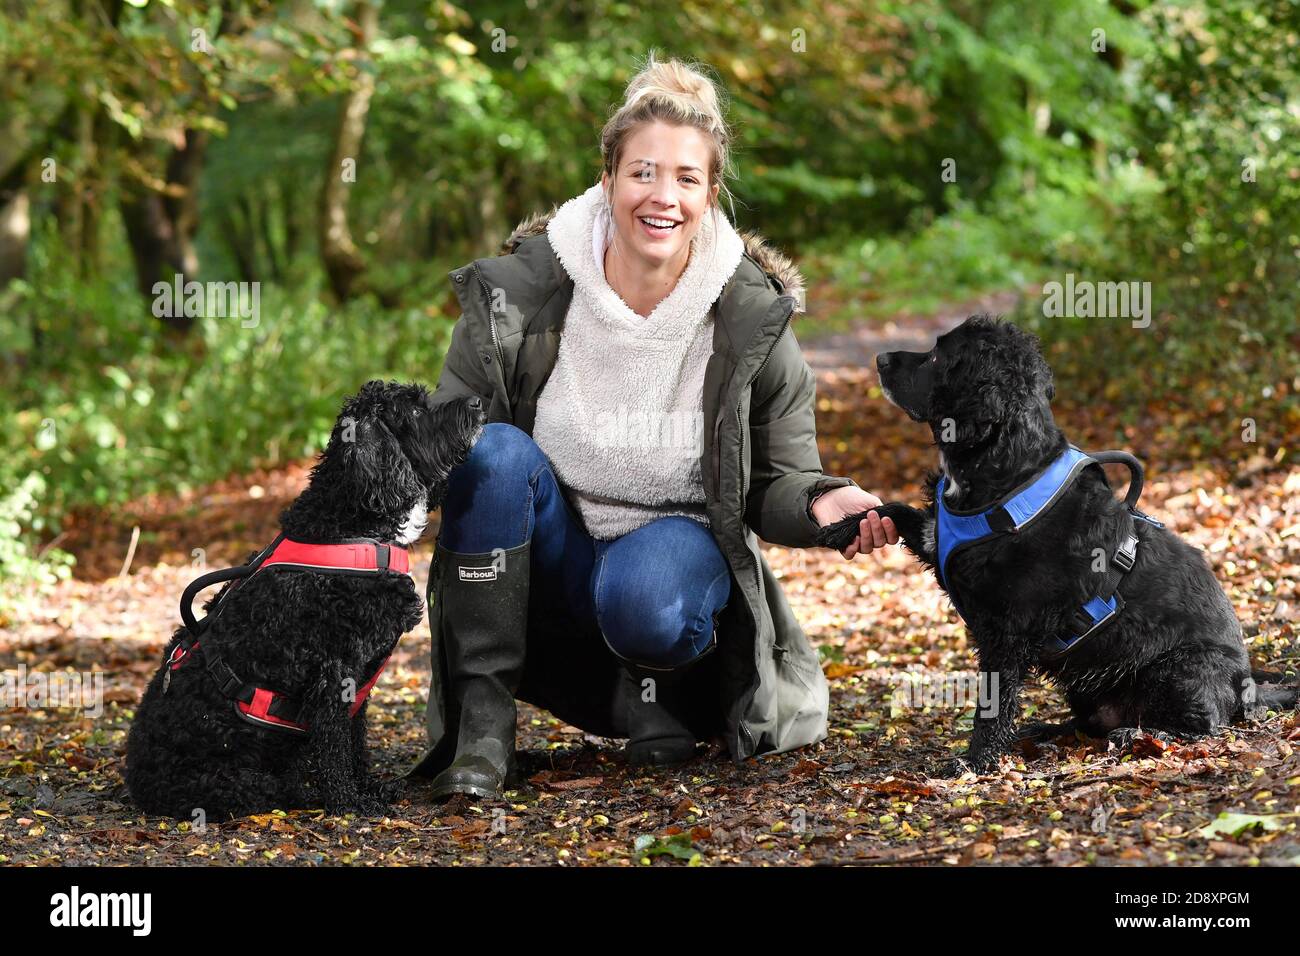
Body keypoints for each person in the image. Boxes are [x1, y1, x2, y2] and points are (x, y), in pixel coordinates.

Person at [411, 53, 898, 801]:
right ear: (607, 179)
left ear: (710, 192)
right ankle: (481, 729)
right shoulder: (520, 295)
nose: (661, 196)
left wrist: (820, 501)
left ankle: (653, 698)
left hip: (670, 562)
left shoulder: (748, 315)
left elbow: (776, 475)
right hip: (547, 566)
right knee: (493, 452)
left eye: (685, 178)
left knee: (648, 592)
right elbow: (448, 440)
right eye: (642, 172)